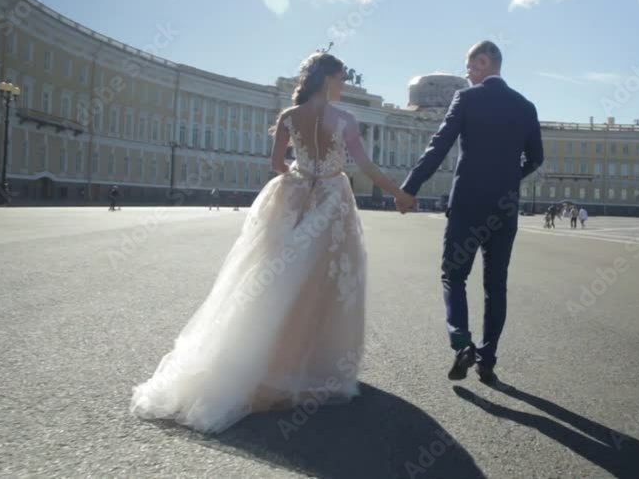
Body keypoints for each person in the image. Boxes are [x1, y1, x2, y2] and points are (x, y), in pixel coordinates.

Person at [130, 52, 415, 435]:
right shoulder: (344, 119)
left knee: (275, 278)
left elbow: (277, 163)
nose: (343, 83)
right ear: (328, 77)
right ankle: (312, 366)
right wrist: (399, 193)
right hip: (332, 200)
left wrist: (301, 176)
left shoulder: (288, 117)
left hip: (292, 196)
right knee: (324, 284)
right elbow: (364, 165)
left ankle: (262, 362)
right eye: (341, 77)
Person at [399, 40, 542, 385]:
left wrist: (409, 188)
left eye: (469, 65)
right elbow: (535, 159)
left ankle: (462, 342)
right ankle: (488, 359)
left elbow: (439, 145)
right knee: (496, 286)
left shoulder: (466, 99)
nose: (466, 72)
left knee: (454, 275)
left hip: (467, 205)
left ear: (483, 61)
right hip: (504, 209)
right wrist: (510, 179)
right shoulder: (525, 106)